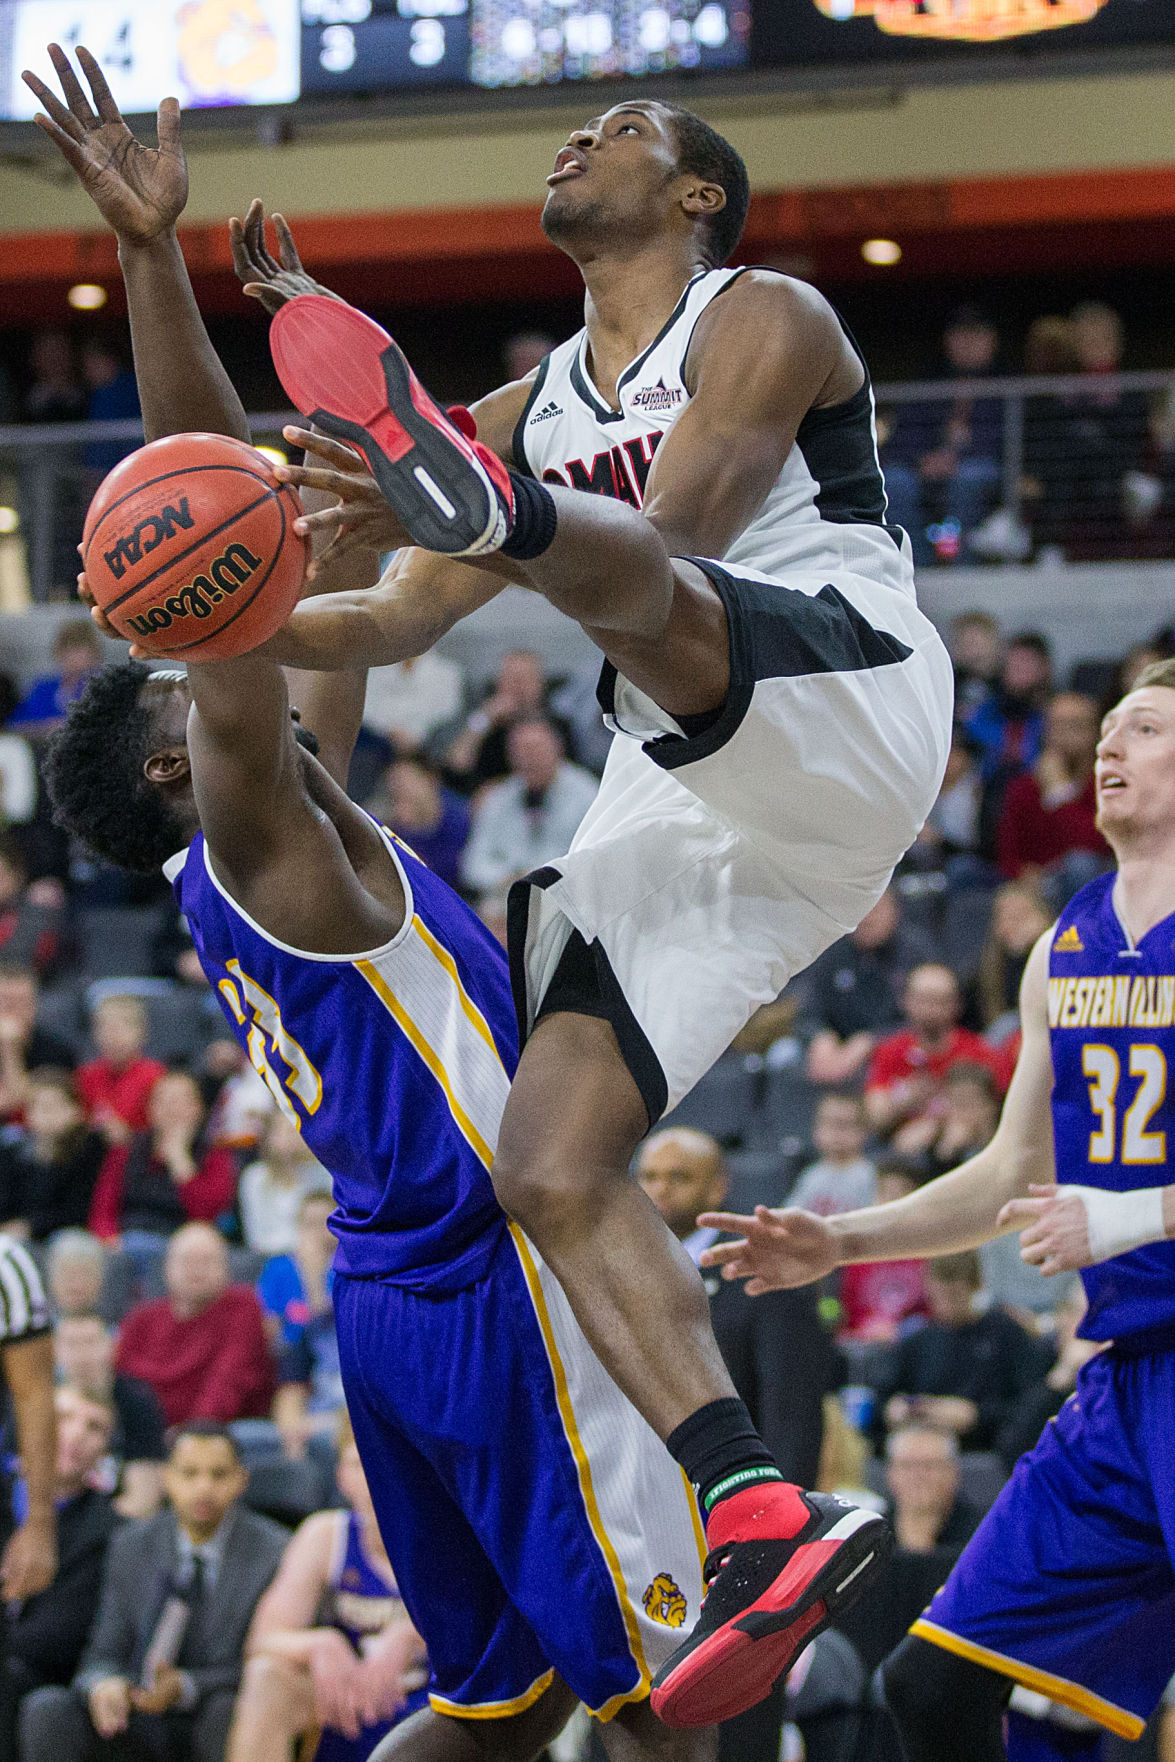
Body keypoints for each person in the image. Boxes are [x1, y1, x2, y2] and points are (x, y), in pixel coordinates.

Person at [225, 72, 954, 1716]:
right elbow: (392, 626)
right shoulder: (524, 404)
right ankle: (757, 1501)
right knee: (546, 1162)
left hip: (838, 691)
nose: (585, 136)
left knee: (644, 580)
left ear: (697, 191)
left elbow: (679, 536)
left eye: (627, 124)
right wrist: (225, 618)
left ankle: (481, 505)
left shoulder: (761, 311)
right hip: (689, 804)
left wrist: (458, 491)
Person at [30, 47, 714, 1758]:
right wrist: (146, 261)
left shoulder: (280, 830)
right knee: (673, 1699)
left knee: (489, 1714)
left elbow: (281, 557)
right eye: (204, 685)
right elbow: (204, 509)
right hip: (501, 1292)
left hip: (395, 1306)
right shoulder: (261, 831)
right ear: (180, 761)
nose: (247, 665)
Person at [696, 657, 1175, 1754]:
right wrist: (838, 1241)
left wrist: (1130, 1219)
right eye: (1103, 727)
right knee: (929, 1683)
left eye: (1142, 728)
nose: (1108, 745)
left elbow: (1087, 1207)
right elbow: (1011, 1172)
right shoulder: (1063, 948)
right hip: (1121, 1379)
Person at [20, 1420, 287, 1762]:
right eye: (190, 1474)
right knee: (48, 1709)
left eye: (218, 1475)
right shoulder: (130, 1545)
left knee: (226, 1712)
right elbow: (101, 1653)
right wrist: (105, 1683)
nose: (203, 1488)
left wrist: (186, 1687)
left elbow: (263, 1666)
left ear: (241, 1480)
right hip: (138, 1709)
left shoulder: (275, 1551)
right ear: (167, 1478)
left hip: (213, 1708)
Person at [226, 1418, 428, 1762]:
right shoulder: (325, 1535)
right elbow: (263, 1639)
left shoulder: (451, 1538)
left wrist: (413, 1637)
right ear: (341, 1478)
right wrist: (320, 1644)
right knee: (265, 1676)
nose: (374, 1478)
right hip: (342, 1700)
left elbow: (494, 1643)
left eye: (385, 1460)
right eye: (358, 1464)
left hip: (430, 1703)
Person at [4, 1385, 119, 1727]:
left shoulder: (108, 1531)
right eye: (64, 1417)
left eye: (94, 1427)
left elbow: (58, 1638)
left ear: (105, 1452)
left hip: (37, 1681)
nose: (75, 1435)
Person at [871, 1251, 1047, 1453]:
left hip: (987, 1451)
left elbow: (1031, 1404)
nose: (945, 1306)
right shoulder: (918, 1340)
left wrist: (976, 1416)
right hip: (923, 1448)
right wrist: (894, 1410)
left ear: (976, 1287)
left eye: (954, 1296)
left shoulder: (1005, 1334)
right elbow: (881, 1399)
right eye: (937, 1297)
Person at [114, 1224, 274, 1428]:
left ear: (226, 1268)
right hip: (148, 1434)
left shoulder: (243, 1308)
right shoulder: (141, 1320)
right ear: (166, 1267)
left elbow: (228, 1382)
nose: (195, 1270)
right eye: (186, 1261)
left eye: (206, 1261)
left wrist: (193, 1434)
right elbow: (124, 1382)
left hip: (218, 1435)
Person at [801, 889, 940, 1088]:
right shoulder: (833, 951)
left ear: (895, 911)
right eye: (861, 910)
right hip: (838, 1047)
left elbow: (928, 1017)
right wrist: (819, 1037)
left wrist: (871, 1040)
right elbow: (808, 1011)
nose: (867, 918)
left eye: (875, 909)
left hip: (895, 1044)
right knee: (784, 1054)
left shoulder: (916, 953)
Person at [88, 1070, 237, 1250]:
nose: (171, 1109)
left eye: (181, 1101)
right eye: (163, 1100)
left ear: (198, 1109)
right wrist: (108, 1238)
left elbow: (207, 1216)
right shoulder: (126, 1150)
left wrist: (180, 1161)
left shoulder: (214, 1155)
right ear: (150, 1108)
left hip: (183, 1247)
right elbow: (103, 1209)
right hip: (124, 1243)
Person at [458, 717, 599, 898]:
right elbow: (473, 864)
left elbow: (589, 861)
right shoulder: (498, 799)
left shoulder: (587, 794)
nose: (529, 758)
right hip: (508, 896)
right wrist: (510, 879)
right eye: (521, 751)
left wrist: (535, 877)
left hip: (567, 895)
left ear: (558, 749)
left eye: (536, 749)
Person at [864, 964, 1003, 1141]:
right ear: (906, 1001)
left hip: (961, 1144)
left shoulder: (978, 1052)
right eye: (923, 999)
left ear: (956, 1004)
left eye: (939, 1000)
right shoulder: (891, 1050)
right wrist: (905, 1097)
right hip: (899, 1147)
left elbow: (990, 1113)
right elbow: (875, 1114)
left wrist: (935, 1125)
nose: (930, 1009)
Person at [54, 1311, 167, 1518]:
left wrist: (91, 1532)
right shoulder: (37, 1402)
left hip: (108, 1529)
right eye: (71, 1343)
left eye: (90, 1342)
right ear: (55, 1351)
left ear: (112, 1346)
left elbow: (144, 1501)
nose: (81, 1354)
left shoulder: (138, 1404)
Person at [996, 692, 1108, 897]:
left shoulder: (1106, 784)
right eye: (1056, 726)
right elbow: (1008, 853)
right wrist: (1022, 873)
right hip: (1035, 886)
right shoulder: (1025, 787)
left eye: (1075, 726)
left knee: (1080, 864)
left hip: (1090, 885)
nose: (1064, 735)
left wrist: (1058, 794)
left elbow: (1093, 845)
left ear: (1095, 732)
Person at [0, 1067, 105, 1241]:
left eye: (53, 1106)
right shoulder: (14, 1151)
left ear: (75, 1111)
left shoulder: (89, 1150)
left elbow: (77, 1211)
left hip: (67, 1236)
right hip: (18, 1235)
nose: (46, 1115)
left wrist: (31, 1226)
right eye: (38, 1106)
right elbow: (6, 1203)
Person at [368, 758, 470, 895]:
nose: (400, 790)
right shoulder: (398, 831)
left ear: (430, 779)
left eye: (404, 781)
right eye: (394, 786)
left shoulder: (464, 814)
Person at [238, 1111, 331, 1260]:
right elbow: (256, 1238)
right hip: (269, 1258)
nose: (292, 1136)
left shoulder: (323, 1174)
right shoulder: (255, 1177)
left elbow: (329, 1228)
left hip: (322, 1255)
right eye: (284, 1130)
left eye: (297, 1129)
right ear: (269, 1136)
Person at [77, 995, 166, 1145]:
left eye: (123, 1025)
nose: (112, 1035)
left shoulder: (157, 1077)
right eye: (104, 1026)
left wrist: (127, 1137)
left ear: (142, 1033)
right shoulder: (84, 1076)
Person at [0, 963, 76, 1124]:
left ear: (34, 1005)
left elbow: (24, 1105)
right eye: (6, 1001)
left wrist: (9, 1049)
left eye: (21, 1002)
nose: (13, 1010)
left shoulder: (57, 1051)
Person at [7, 620, 103, 736]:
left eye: (79, 650)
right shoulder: (43, 688)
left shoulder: (101, 689)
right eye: (67, 650)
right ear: (58, 652)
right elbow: (14, 725)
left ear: (94, 654)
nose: (72, 657)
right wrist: (44, 728)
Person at [786, 1093, 876, 1218]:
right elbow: (791, 1219)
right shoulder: (811, 1176)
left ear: (864, 1131)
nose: (835, 1132)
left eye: (844, 1124)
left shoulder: (870, 1176)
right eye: (828, 1123)